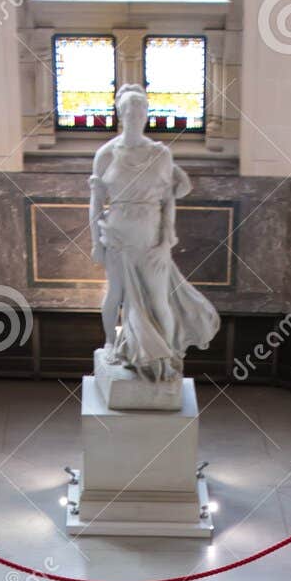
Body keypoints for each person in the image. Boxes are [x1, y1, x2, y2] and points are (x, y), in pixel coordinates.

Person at [88, 83, 220, 383]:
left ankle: (170, 355)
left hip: (150, 236)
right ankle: (110, 342)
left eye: (141, 110)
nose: (135, 116)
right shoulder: (106, 154)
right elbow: (95, 203)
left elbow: (169, 201)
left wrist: (165, 243)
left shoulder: (160, 154)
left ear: (147, 114)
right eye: (129, 111)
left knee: (160, 299)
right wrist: (95, 242)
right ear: (121, 113)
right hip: (118, 235)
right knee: (116, 294)